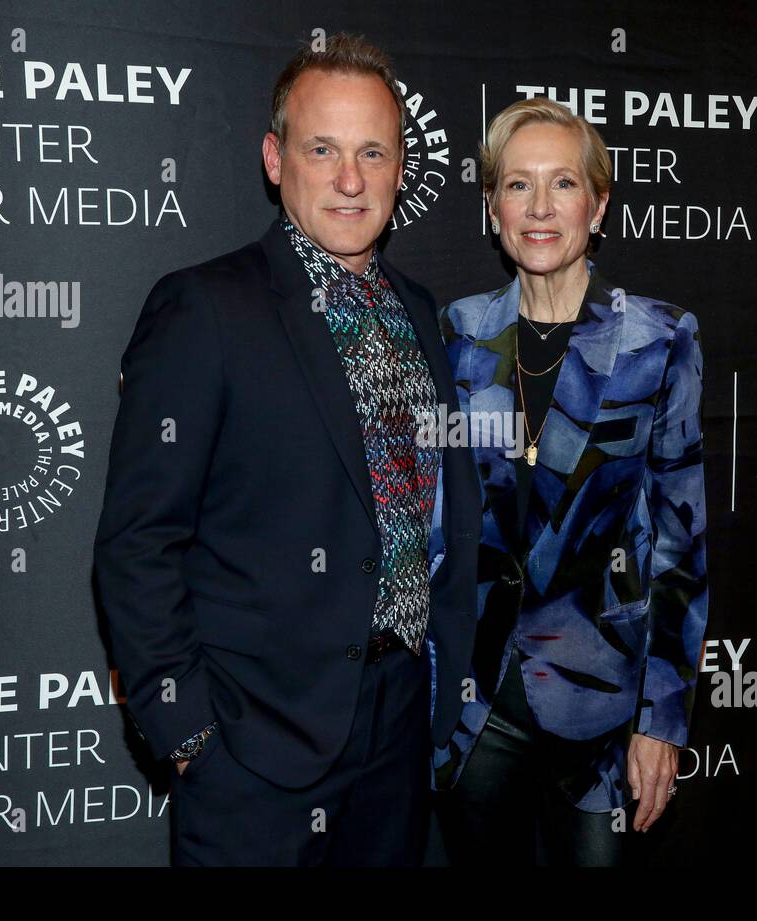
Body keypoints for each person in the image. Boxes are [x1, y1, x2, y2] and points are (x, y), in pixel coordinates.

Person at [93, 33, 479, 866]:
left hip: (399, 730)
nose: (350, 178)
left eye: (373, 152)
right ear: (276, 159)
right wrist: (191, 735)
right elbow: (139, 540)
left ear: (401, 168)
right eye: (323, 149)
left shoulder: (419, 309)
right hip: (254, 749)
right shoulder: (205, 308)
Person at [433, 97, 708, 866]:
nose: (541, 207)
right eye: (517, 186)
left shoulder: (661, 340)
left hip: (604, 708)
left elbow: (681, 545)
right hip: (474, 708)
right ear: (492, 208)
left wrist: (663, 718)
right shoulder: (456, 334)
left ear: (600, 202)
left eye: (563, 184)